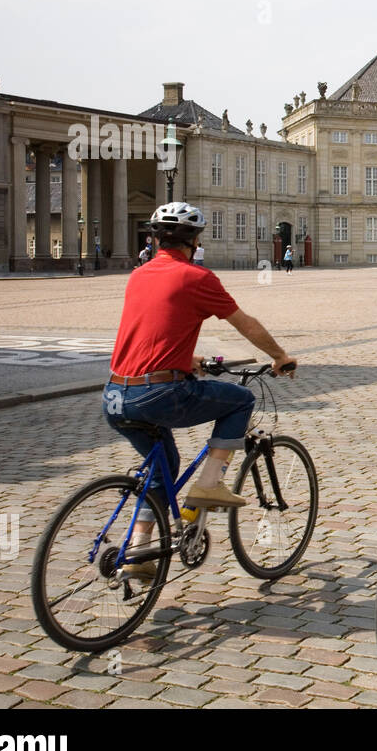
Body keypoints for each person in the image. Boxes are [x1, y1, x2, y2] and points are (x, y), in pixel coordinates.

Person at [105, 202, 297, 578]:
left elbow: (152, 329)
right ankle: (209, 485)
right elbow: (246, 324)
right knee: (240, 399)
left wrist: (185, 358)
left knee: (162, 470)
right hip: (158, 394)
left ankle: (141, 553)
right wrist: (279, 356)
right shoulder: (196, 277)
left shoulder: (139, 274)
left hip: (115, 396)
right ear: (194, 240)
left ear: (155, 239)